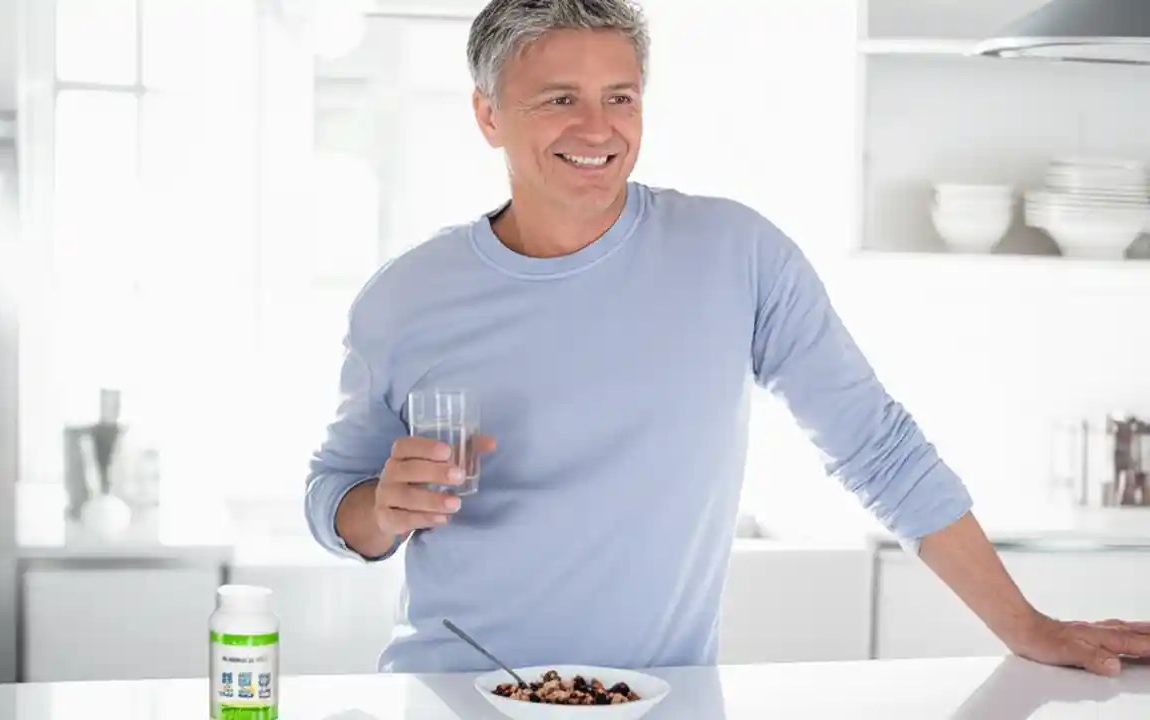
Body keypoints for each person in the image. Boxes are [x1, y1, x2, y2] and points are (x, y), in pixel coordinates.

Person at [305, 0, 1150, 676]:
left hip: (655, 702)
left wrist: (1027, 626)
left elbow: (880, 451)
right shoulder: (407, 298)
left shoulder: (735, 255)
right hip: (452, 694)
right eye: (560, 99)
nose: (598, 129)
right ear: (488, 115)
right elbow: (332, 497)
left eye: (620, 97)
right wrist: (378, 509)